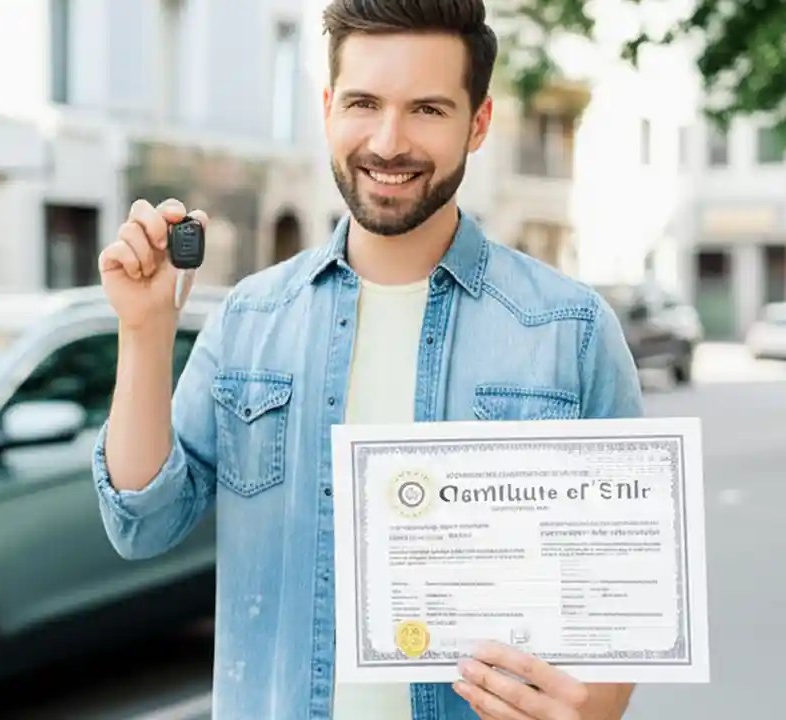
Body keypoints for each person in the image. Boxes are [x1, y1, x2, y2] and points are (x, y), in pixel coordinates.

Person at [91, 1, 643, 718]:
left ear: (479, 123)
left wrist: (589, 710)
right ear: (327, 108)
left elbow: (627, 602)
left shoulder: (571, 331)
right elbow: (141, 525)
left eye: (427, 110)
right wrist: (143, 332)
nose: (388, 141)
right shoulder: (251, 320)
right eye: (363, 103)